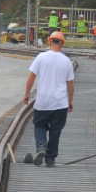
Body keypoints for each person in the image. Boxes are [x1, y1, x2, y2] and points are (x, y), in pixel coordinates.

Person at [23, 31, 75, 168]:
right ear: (62, 43)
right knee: (55, 131)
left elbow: (31, 77)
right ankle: (50, 159)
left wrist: (26, 94)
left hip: (43, 102)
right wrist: (70, 101)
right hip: (60, 103)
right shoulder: (67, 61)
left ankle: (41, 147)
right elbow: (70, 84)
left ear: (49, 41)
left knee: (39, 125)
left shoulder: (41, 57)